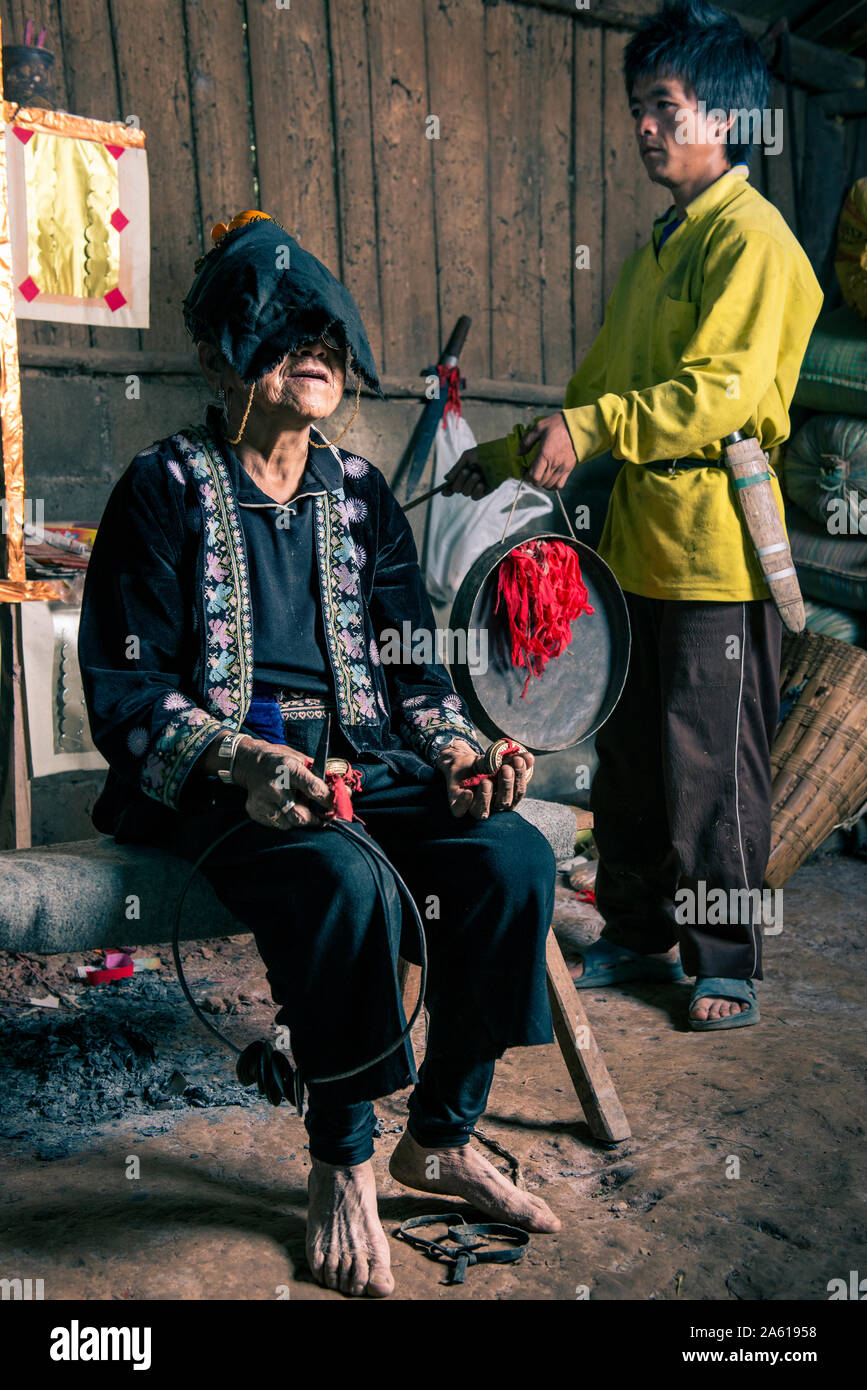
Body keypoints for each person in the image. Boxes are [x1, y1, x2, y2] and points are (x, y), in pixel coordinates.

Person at [78, 212, 560, 1299]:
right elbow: (129, 688)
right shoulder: (162, 489)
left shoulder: (361, 497)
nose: (320, 353)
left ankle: (438, 1134)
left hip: (365, 765)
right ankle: (342, 1158)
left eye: (334, 339)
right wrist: (242, 763)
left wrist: (461, 755)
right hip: (228, 788)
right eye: (289, 332)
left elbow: (415, 677)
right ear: (219, 354)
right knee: (343, 876)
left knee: (514, 857)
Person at [446, 0, 823, 1031]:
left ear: (728, 117)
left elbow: (720, 395)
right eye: (638, 108)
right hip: (638, 549)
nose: (645, 127)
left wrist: (593, 420)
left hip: (716, 550)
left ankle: (727, 959)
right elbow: (597, 391)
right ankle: (635, 927)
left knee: (713, 765)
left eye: (664, 105)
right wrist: (492, 459)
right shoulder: (658, 248)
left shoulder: (755, 243)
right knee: (632, 760)